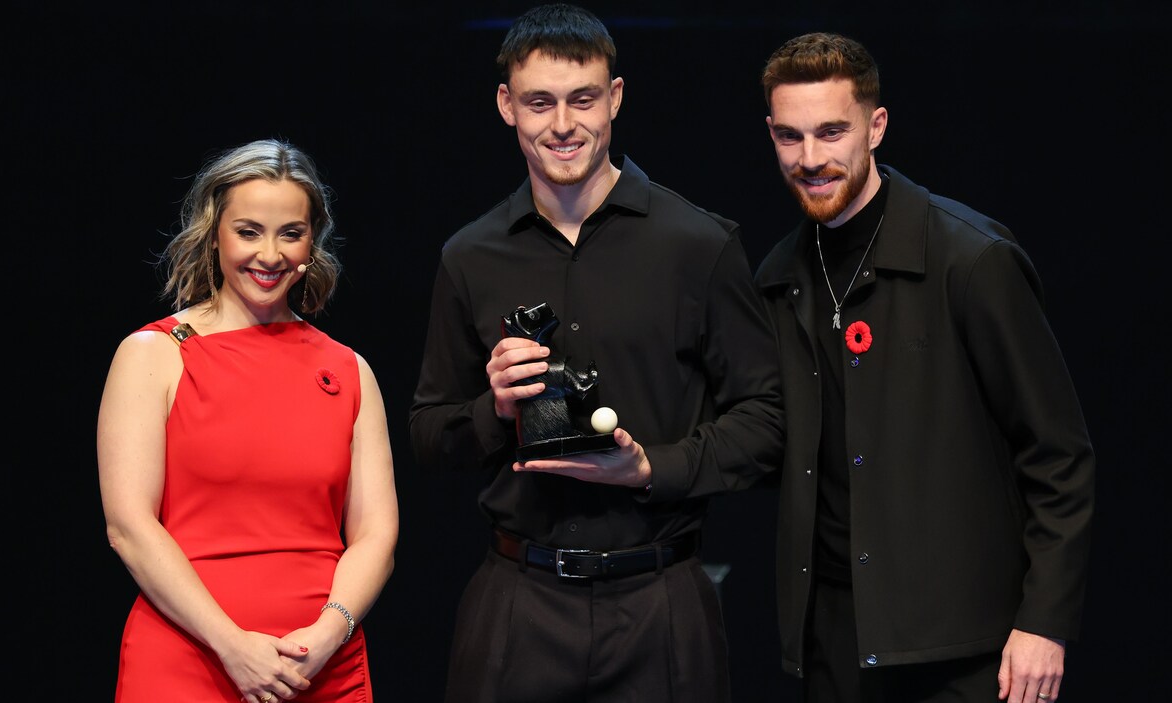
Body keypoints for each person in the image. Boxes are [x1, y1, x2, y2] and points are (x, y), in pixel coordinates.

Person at [408, 4, 785, 702]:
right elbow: (430, 435)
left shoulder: (697, 245)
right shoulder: (470, 255)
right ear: (505, 106)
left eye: (582, 99)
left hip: (660, 600)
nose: (561, 125)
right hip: (520, 599)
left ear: (614, 97)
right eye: (539, 102)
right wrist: (493, 407)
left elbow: (767, 420)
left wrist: (652, 468)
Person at [753, 32, 1095, 703]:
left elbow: (1059, 455)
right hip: (834, 641)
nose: (812, 158)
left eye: (831, 131)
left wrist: (1044, 622)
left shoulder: (970, 260)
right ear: (771, 133)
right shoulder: (779, 278)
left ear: (876, 126)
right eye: (790, 137)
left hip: (966, 648)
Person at [97, 138, 399, 702]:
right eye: (249, 231)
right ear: (214, 234)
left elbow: (376, 535)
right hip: (189, 662)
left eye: (290, 232)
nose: (269, 254)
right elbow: (129, 527)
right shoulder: (153, 355)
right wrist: (231, 646)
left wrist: (326, 637)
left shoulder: (349, 369)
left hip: (319, 667)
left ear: (313, 239)